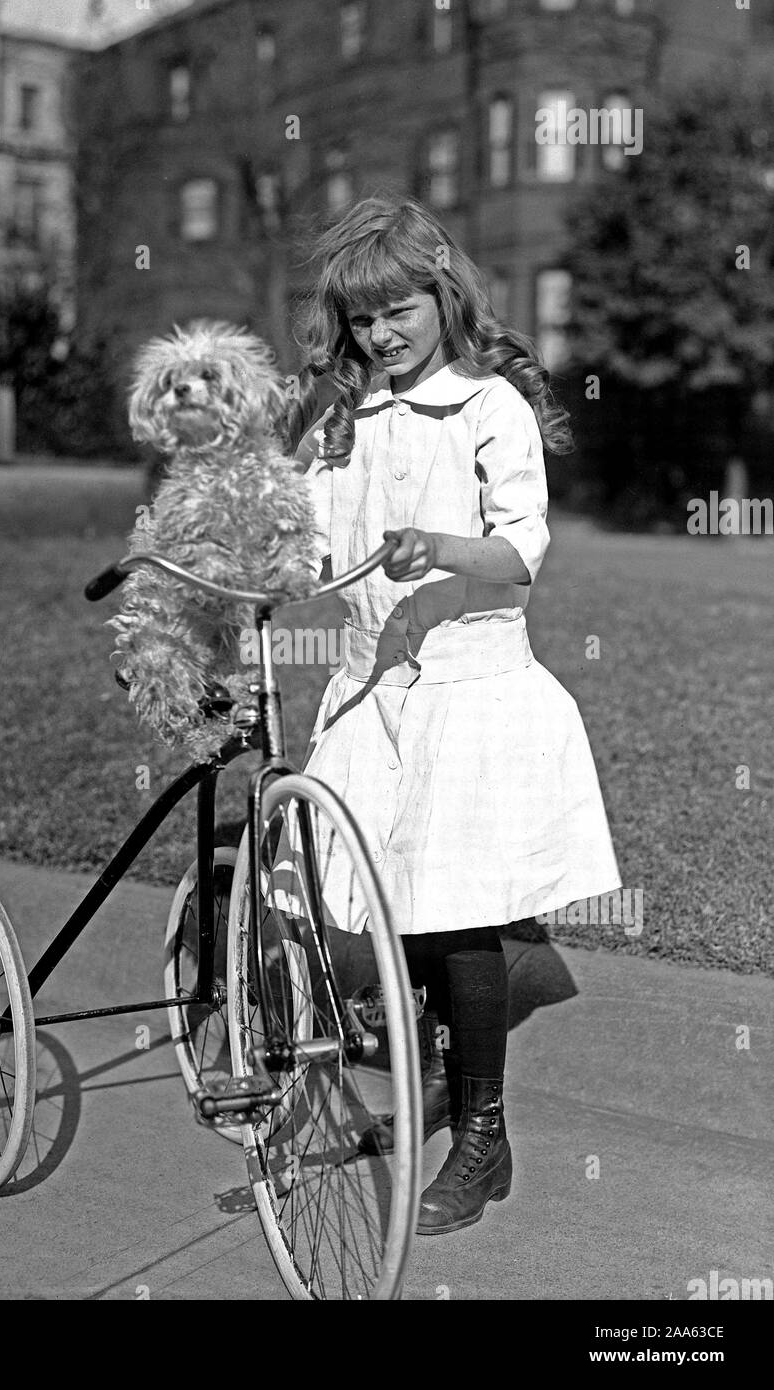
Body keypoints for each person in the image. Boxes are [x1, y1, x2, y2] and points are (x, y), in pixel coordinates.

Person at [286, 195, 621, 1236]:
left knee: (462, 913)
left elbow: (519, 548)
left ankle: (483, 1131)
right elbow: (303, 551)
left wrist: (438, 544)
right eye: (360, 321)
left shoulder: (485, 406)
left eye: (398, 311)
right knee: (396, 903)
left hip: (468, 690)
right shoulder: (342, 422)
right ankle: (438, 1075)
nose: (380, 336)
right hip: (368, 695)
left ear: (443, 295)